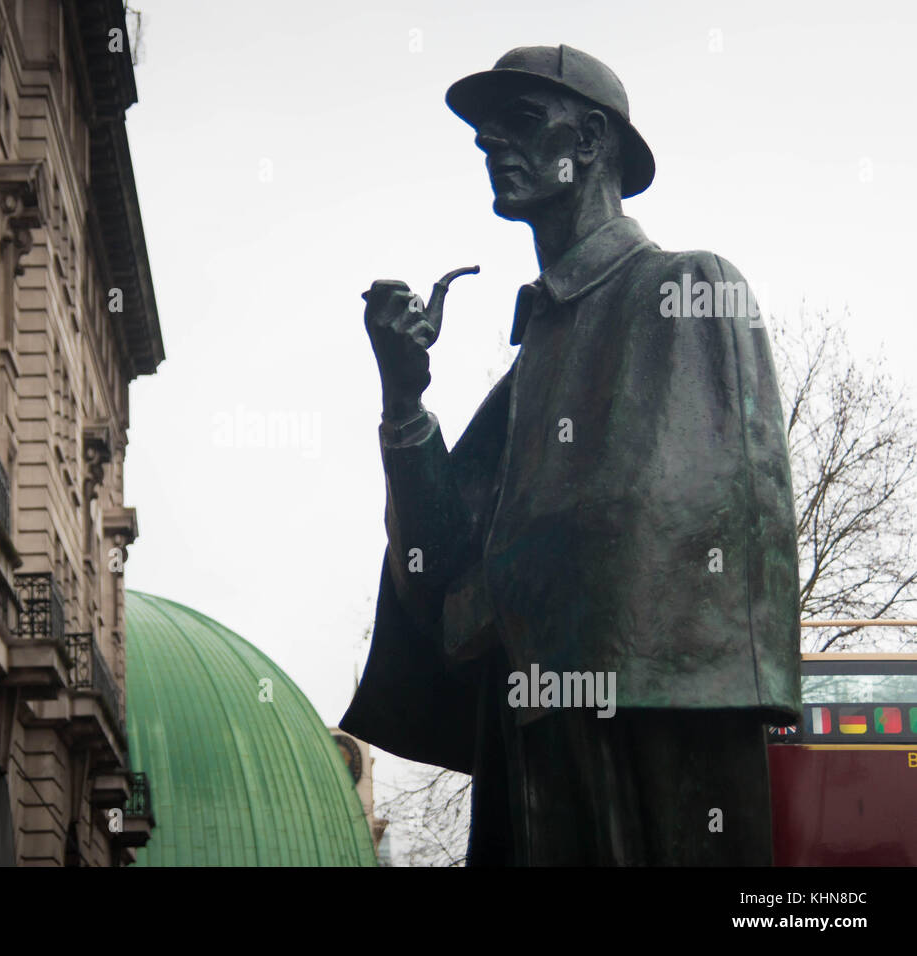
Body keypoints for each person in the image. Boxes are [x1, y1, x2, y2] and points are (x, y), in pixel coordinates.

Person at [340, 45, 801, 865]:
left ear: (589, 138)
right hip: (528, 732)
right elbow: (433, 564)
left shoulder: (687, 288)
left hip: (639, 726)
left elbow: (679, 523)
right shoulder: (529, 370)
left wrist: (489, 602)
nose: (492, 146)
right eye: (484, 135)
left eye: (519, 122)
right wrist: (405, 399)